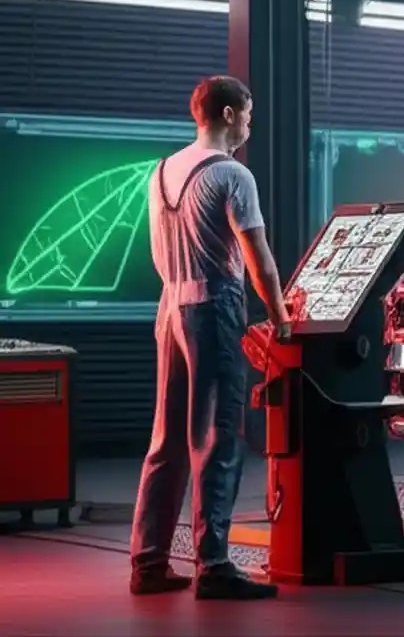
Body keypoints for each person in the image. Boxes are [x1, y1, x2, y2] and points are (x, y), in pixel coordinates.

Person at [129, 75, 290, 600]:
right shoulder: (232, 174)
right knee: (219, 435)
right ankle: (214, 566)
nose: (249, 124)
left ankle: (148, 564)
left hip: (169, 306)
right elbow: (257, 257)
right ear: (226, 115)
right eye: (246, 114)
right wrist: (280, 314)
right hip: (214, 305)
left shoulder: (160, 172)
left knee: (167, 439)